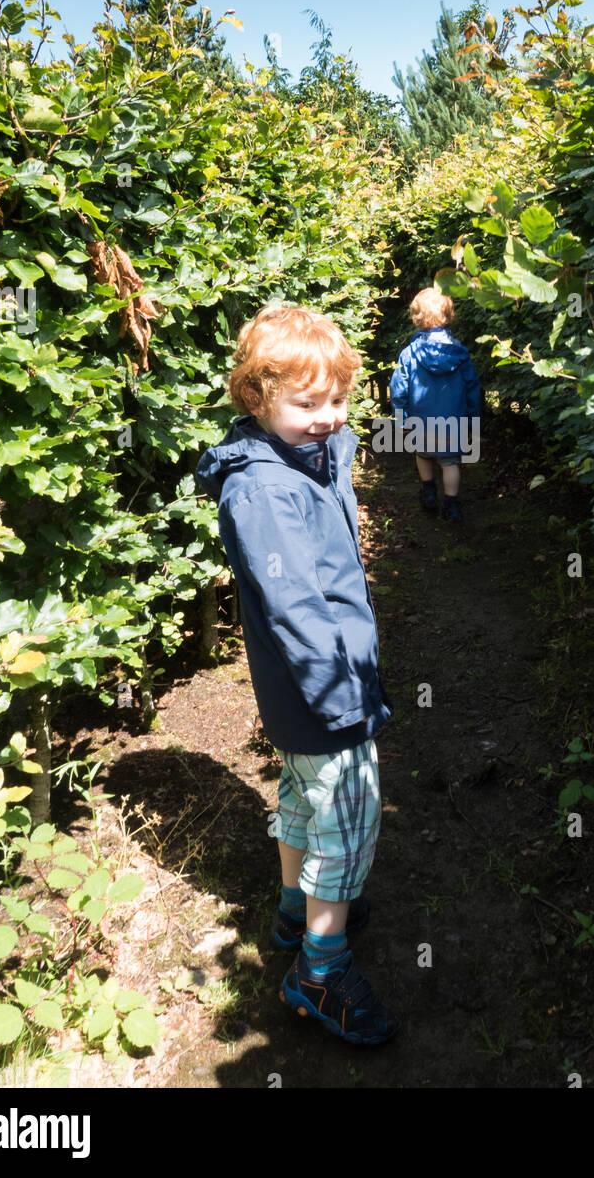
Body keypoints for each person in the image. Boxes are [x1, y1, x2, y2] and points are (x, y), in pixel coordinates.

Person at [195, 302, 398, 1045]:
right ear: (255, 396)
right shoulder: (264, 490)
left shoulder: (303, 458)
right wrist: (344, 694)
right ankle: (319, 969)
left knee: (300, 793)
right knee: (348, 816)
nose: (328, 418)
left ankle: (291, 909)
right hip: (321, 685)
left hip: (303, 686)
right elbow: (293, 607)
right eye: (307, 404)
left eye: (338, 401)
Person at [389, 287, 481, 521]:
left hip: (421, 417)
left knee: (423, 454)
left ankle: (428, 492)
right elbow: (472, 386)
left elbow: (398, 387)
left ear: (417, 316)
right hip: (453, 418)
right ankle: (452, 505)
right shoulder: (460, 353)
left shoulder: (409, 353)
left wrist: (401, 418)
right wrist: (473, 417)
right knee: (450, 461)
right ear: (449, 315)